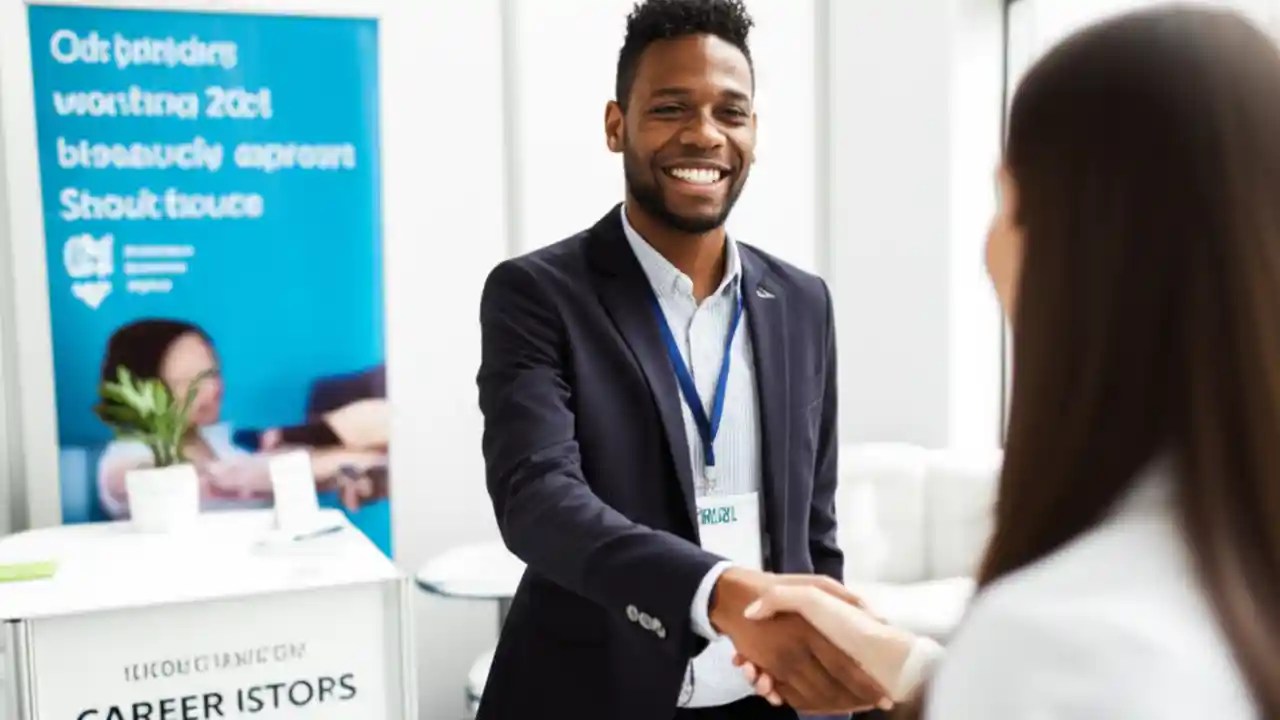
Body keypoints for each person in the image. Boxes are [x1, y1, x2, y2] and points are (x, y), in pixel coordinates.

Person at [734, 7, 1280, 718]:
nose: (987, 249)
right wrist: (912, 665)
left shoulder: (1059, 645)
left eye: (1007, 199)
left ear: (1082, 250)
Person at [475, 1, 887, 718]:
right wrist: (719, 589)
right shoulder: (537, 294)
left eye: (732, 112)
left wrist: (830, 672)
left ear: (754, 132)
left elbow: (813, 528)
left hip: (762, 701)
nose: (704, 134)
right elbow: (538, 501)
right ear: (616, 125)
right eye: (670, 108)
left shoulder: (801, 301)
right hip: (591, 696)